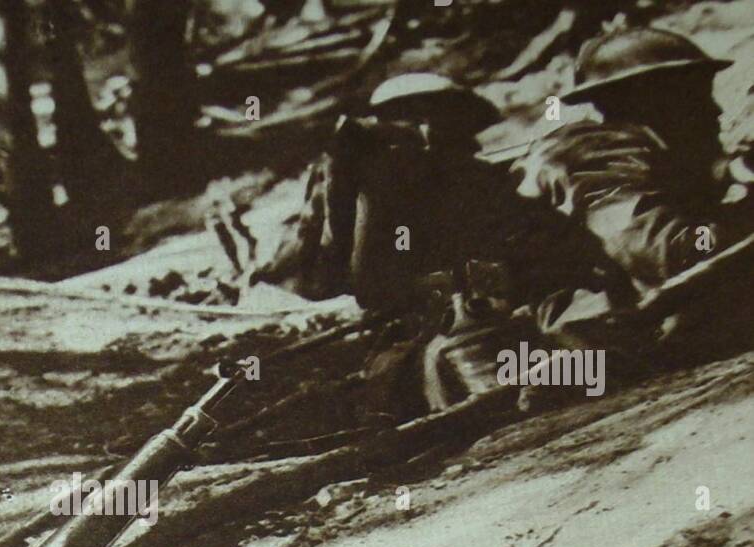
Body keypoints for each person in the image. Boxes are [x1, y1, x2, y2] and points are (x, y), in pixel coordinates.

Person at [247, 73, 613, 440]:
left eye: (437, 118)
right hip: (440, 334)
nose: (425, 130)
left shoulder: (482, 179)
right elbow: (362, 286)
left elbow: (534, 248)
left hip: (513, 312)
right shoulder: (378, 189)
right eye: (409, 118)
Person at [514, 27, 754, 357]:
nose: (716, 111)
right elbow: (676, 254)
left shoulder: (653, 150)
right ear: (650, 101)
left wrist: (737, 173)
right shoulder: (594, 160)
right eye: (696, 96)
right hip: (586, 336)